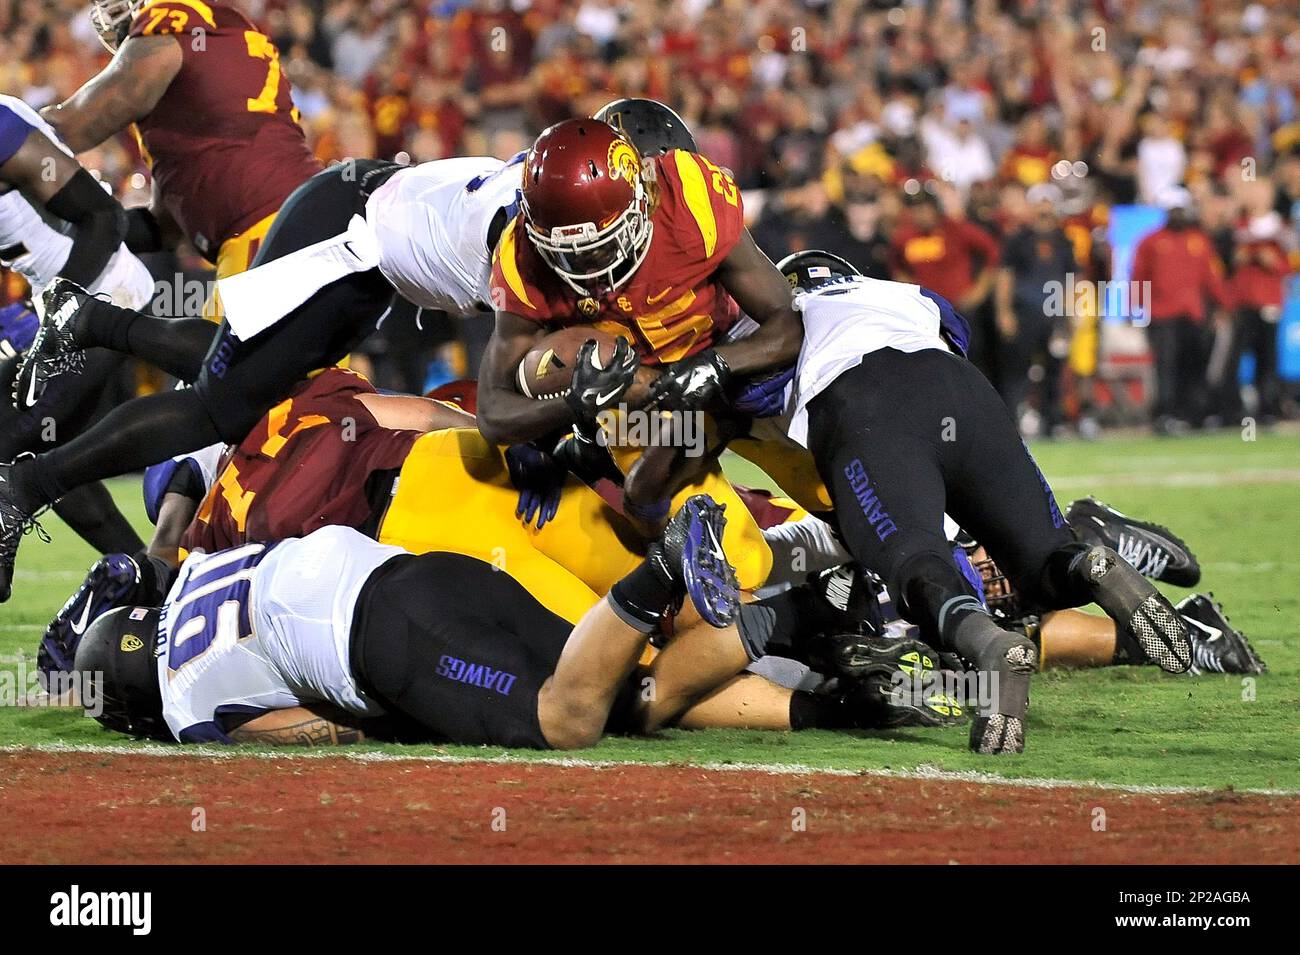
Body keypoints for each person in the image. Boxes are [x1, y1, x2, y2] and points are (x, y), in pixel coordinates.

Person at [764, 250, 1192, 754]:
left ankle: (989, 644)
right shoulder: (901, 293)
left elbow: (757, 398)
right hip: (963, 390)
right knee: (1043, 558)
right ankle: (1089, 562)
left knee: (913, 562)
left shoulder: (780, 323)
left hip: (867, 406)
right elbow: (955, 338)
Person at [72, 497, 739, 749]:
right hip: (427, 573)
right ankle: (797, 619)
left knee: (567, 718)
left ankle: (662, 564)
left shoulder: (183, 700)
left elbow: (315, 730)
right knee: (622, 690)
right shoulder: (193, 571)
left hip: (394, 637)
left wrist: (402, 714)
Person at [0, 93, 154, 555]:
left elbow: (104, 218)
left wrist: (59, 314)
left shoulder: (5, 131)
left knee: (10, 436)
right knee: (47, 456)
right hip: (51, 304)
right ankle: (147, 581)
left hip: (105, 293)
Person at [1129, 186, 1232, 432]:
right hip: (1162, 314)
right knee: (1165, 366)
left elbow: (1212, 277)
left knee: (1195, 364)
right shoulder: (1151, 241)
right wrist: (1135, 308)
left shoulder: (1199, 240)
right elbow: (1138, 277)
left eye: (1180, 210)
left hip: (1193, 313)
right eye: (1173, 210)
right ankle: (1165, 414)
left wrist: (1224, 305)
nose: (1177, 215)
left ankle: (1193, 413)